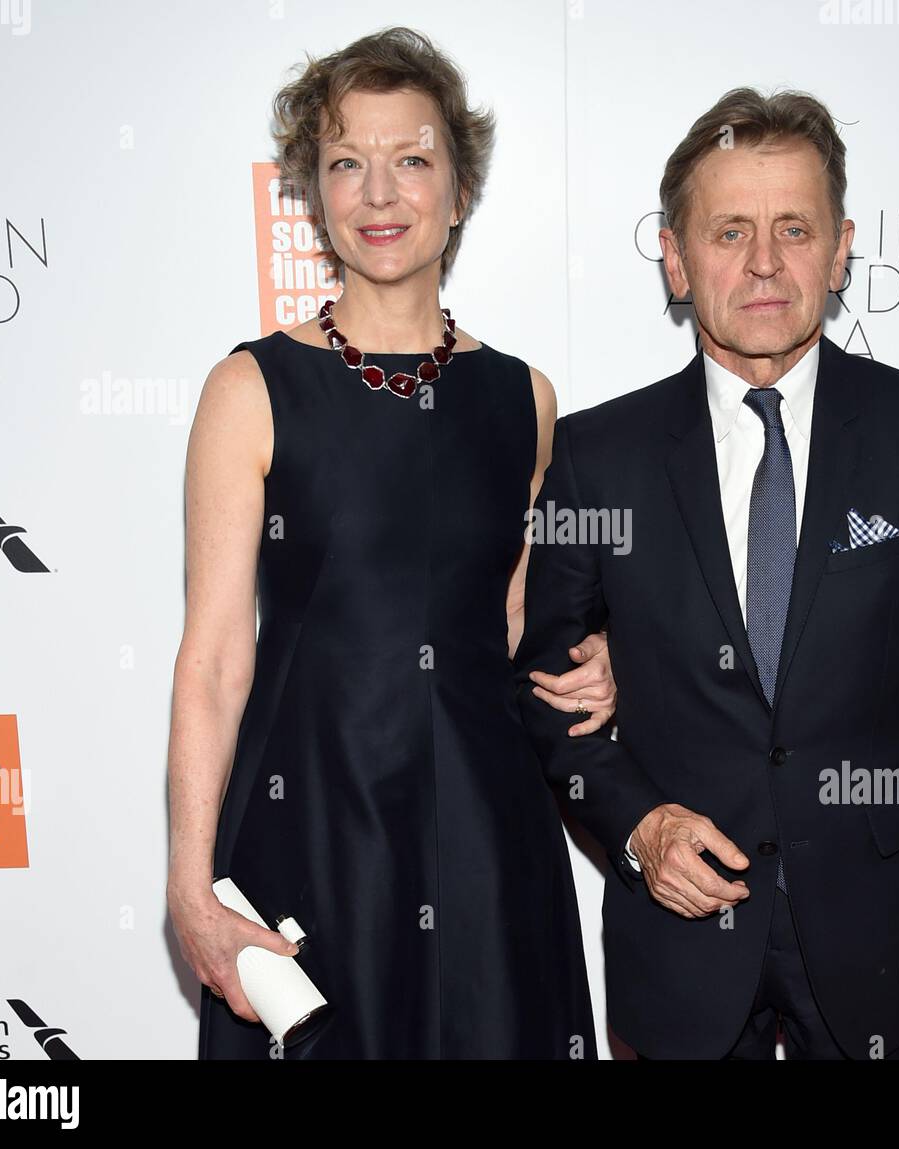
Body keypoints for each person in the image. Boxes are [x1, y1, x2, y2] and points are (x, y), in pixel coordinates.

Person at [514, 87, 899, 1060]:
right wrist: (639, 823)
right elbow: (547, 694)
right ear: (673, 255)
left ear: (839, 250)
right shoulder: (593, 455)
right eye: (728, 230)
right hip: (678, 936)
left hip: (886, 942)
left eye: (794, 228)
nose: (763, 263)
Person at [166, 27, 609, 1059]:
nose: (378, 193)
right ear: (314, 193)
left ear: (458, 190)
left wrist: (601, 663)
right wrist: (190, 888)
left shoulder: (523, 399)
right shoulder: (250, 389)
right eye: (345, 164)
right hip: (309, 819)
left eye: (411, 160)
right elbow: (218, 656)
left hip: (485, 826)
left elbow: (519, 627)